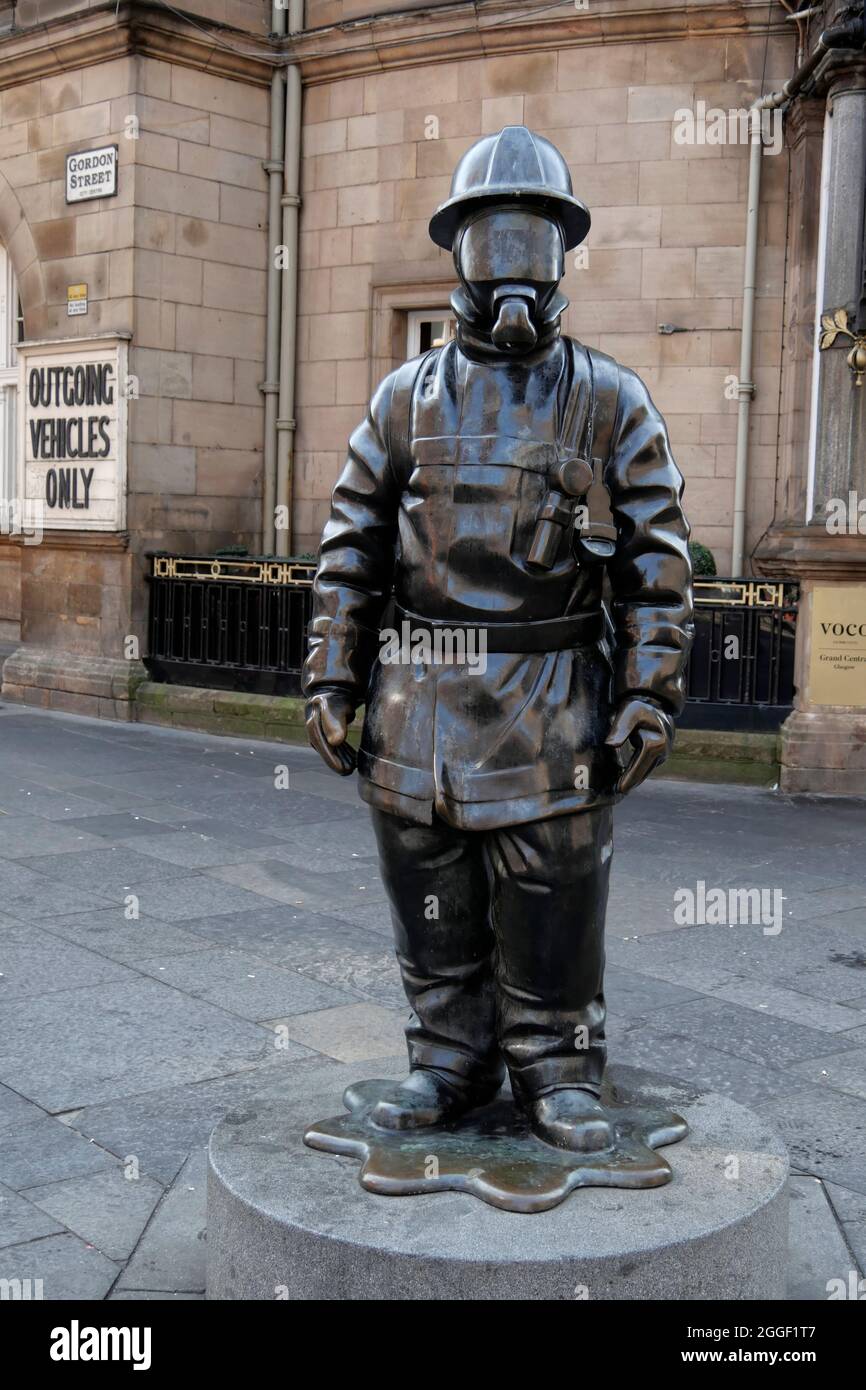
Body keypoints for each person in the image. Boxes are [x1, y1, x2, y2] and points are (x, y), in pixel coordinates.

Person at [303, 127, 693, 1152]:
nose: (511, 269)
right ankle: (445, 1057)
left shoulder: (609, 400)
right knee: (429, 893)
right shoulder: (401, 399)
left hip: (553, 687)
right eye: (492, 241)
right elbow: (350, 550)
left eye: (532, 241)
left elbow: (653, 563)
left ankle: (557, 1063)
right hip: (419, 693)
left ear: (560, 257)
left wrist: (647, 692)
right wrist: (328, 679)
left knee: (551, 894)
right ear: (460, 254)